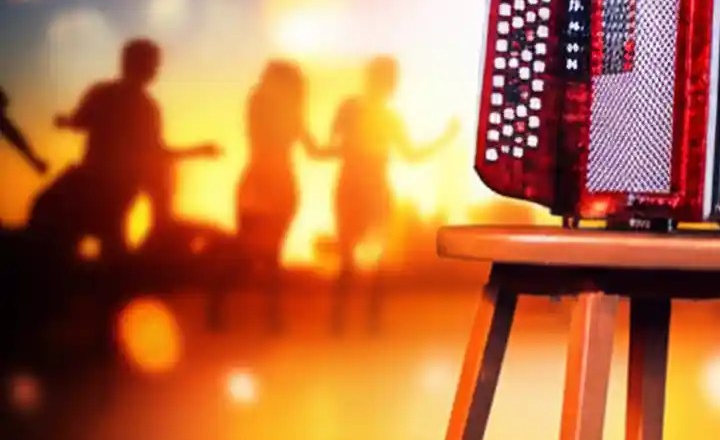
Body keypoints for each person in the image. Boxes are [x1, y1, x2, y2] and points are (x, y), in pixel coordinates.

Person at [29, 39, 221, 263]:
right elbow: (155, 151)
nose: (155, 70)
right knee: (86, 234)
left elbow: (81, 121)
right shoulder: (138, 104)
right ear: (135, 65)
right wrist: (196, 152)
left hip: (102, 185)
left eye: (155, 65)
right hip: (102, 185)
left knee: (58, 218)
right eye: (153, 65)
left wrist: (66, 122)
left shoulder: (111, 95)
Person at [327, 56, 458, 334]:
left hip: (366, 184)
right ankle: (350, 319)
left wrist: (444, 138)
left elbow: (410, 155)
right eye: (388, 79)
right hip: (360, 184)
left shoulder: (378, 115)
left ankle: (358, 319)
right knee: (354, 254)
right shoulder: (358, 110)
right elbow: (410, 155)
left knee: (371, 256)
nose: (390, 85)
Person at [208, 61, 326, 333]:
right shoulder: (263, 106)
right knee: (250, 251)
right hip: (265, 183)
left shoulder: (281, 111)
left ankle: (267, 316)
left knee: (267, 254)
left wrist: (351, 151)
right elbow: (311, 149)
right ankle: (240, 309)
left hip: (277, 184)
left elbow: (314, 150)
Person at [0, 86, 48, 176]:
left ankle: (37, 164)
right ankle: (37, 164)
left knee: (21, 142)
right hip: (5, 125)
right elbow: (5, 100)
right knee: (20, 143)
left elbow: (5, 100)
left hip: (5, 125)